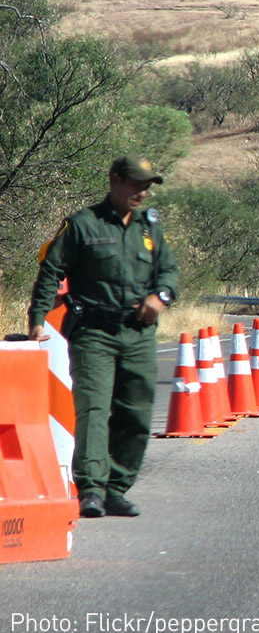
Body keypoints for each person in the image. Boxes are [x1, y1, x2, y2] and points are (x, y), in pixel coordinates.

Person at [28, 155, 178, 519]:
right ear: (114, 180)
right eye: (136, 184)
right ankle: (91, 489)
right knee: (94, 408)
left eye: (147, 186)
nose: (142, 192)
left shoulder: (150, 229)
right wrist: (37, 318)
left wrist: (161, 296)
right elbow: (51, 270)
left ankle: (116, 488)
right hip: (94, 332)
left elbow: (169, 272)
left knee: (136, 411)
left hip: (138, 333)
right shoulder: (83, 225)